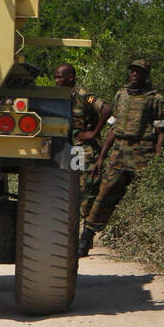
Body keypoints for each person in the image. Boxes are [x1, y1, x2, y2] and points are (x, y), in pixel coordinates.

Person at [79, 59, 164, 256]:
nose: (135, 74)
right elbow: (113, 127)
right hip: (119, 152)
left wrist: (158, 160)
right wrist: (102, 157)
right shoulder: (121, 94)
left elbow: (160, 132)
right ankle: (86, 239)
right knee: (104, 194)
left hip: (142, 153)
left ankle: (147, 244)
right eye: (133, 71)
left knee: (144, 199)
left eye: (140, 72)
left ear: (146, 75)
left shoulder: (155, 99)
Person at [53, 63, 111, 233]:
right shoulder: (62, 96)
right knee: (70, 190)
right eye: (55, 77)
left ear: (70, 78)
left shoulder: (84, 96)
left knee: (85, 192)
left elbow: (106, 109)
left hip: (85, 150)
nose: (57, 81)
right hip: (69, 149)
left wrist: (93, 132)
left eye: (60, 77)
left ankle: (86, 235)